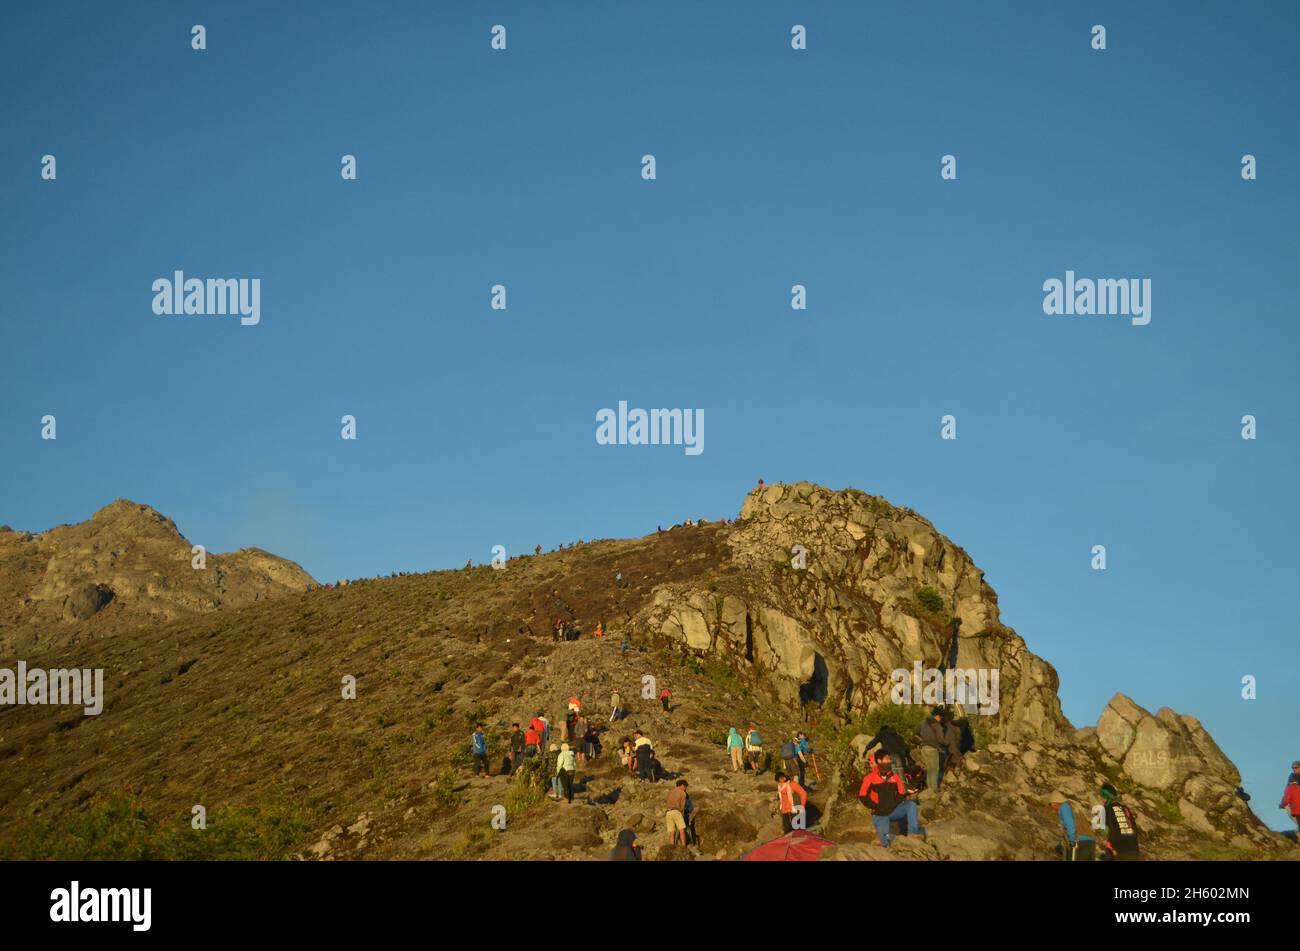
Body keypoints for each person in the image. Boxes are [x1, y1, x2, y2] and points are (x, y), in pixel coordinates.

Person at [858, 751, 923, 848]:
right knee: (886, 845)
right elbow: (862, 795)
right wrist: (875, 806)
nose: (890, 761)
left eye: (889, 759)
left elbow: (901, 793)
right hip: (880, 814)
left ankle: (913, 835)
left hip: (894, 810)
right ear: (879, 761)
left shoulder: (895, 776)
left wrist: (895, 802)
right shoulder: (869, 778)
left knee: (911, 805)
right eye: (887, 759)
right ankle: (883, 840)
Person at [1050, 790, 1096, 861]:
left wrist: (1072, 840)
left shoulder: (1064, 807)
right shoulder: (1073, 806)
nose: (1053, 809)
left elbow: (1070, 824)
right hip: (1091, 843)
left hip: (1080, 843)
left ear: (1054, 803)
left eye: (1051, 805)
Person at [1099, 783, 1140, 861]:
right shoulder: (1126, 809)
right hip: (1134, 850)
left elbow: (1103, 831)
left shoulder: (1107, 809)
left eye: (1102, 797)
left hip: (1119, 851)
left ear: (1107, 797)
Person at [911, 707, 948, 794]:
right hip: (932, 749)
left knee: (929, 769)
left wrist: (920, 740)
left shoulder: (923, 722)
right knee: (934, 769)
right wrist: (947, 742)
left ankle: (929, 789)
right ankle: (934, 789)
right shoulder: (937, 725)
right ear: (938, 716)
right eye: (941, 717)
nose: (940, 719)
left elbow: (915, 732)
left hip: (924, 748)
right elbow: (941, 740)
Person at [665, 779, 689, 846]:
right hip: (676, 812)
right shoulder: (682, 793)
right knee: (682, 830)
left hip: (668, 812)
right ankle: (683, 847)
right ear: (682, 785)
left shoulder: (670, 792)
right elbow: (682, 807)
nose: (685, 789)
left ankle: (671, 847)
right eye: (685, 787)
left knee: (672, 832)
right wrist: (683, 815)